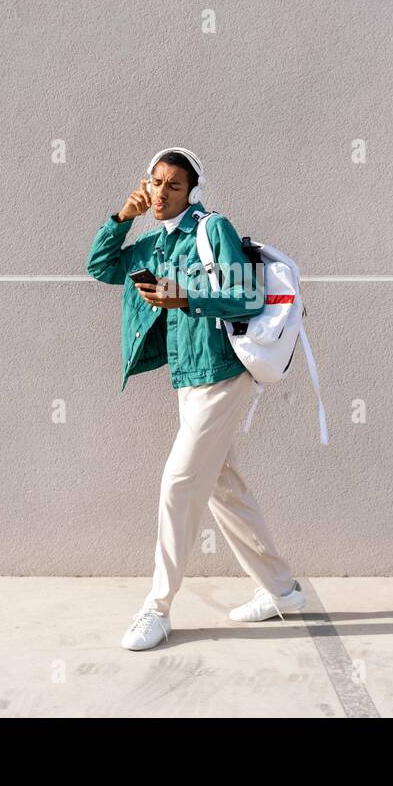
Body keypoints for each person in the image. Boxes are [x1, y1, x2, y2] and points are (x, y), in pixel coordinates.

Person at [85, 147, 306, 650]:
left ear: (192, 192)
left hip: (224, 376)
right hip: (188, 378)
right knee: (223, 488)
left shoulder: (212, 229)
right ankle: (282, 591)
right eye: (155, 183)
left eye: (174, 186)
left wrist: (184, 295)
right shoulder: (151, 242)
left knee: (178, 483)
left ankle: (157, 607)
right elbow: (100, 266)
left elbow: (246, 297)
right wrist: (124, 217)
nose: (162, 193)